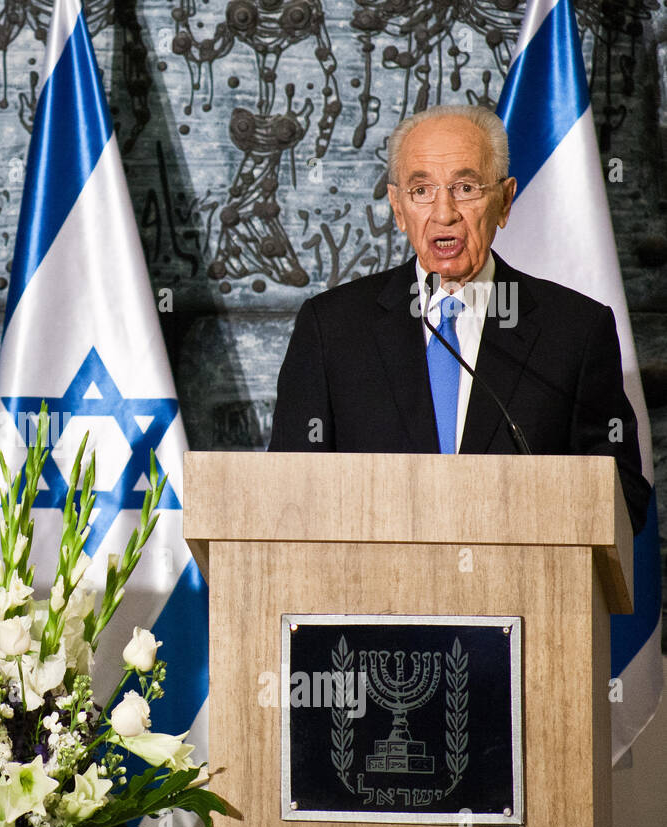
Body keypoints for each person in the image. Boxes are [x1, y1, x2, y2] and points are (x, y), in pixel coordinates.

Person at [268, 104, 650, 534]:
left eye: (465, 187)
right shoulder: (332, 330)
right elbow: (288, 492)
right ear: (397, 207)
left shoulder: (575, 331)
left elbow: (624, 498)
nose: (444, 212)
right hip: (372, 597)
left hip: (524, 595)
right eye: (421, 190)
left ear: (504, 201)